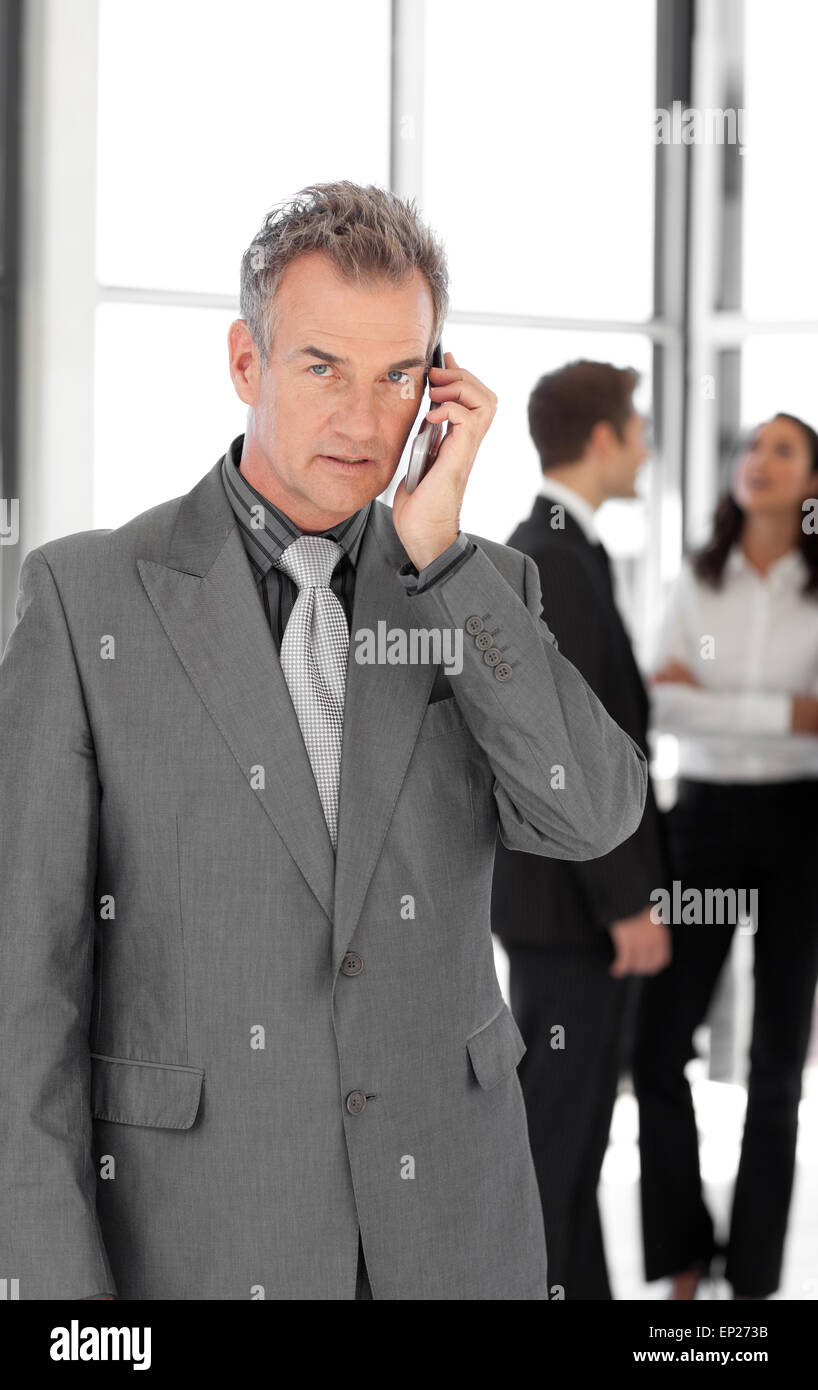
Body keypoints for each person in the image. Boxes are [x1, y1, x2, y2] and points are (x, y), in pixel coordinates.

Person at [0, 183, 649, 1301]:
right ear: (245, 364)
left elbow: (589, 810)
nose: (362, 418)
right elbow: (25, 991)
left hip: (455, 1234)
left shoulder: (480, 587)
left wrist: (440, 561)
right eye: (321, 367)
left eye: (397, 375)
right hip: (198, 1237)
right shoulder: (85, 597)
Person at [491, 360, 671, 1299]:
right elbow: (560, 753)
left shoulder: (565, 549)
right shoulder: (553, 558)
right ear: (602, 438)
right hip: (574, 914)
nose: (647, 443)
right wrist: (628, 904)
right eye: (637, 425)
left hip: (567, 911)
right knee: (556, 1148)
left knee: (576, 1143)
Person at [633, 411, 818, 1300]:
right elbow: (662, 701)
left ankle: (752, 1280)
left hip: (802, 828)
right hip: (702, 824)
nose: (759, 461)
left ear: (813, 482)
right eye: (753, 448)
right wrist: (786, 714)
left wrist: (720, 701)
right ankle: (678, 1256)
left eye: (783, 450)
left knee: (779, 1064)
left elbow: (693, 696)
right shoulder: (696, 580)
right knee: (658, 1044)